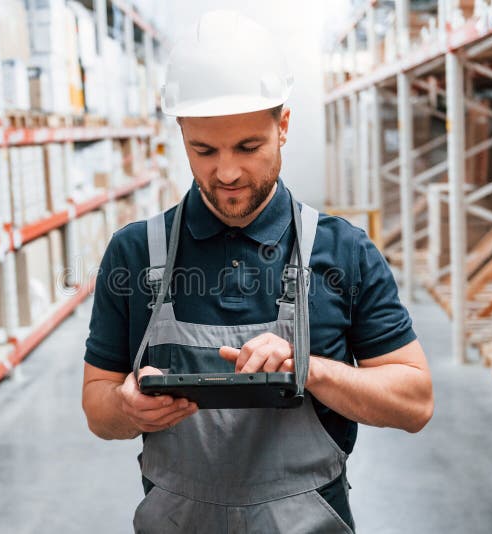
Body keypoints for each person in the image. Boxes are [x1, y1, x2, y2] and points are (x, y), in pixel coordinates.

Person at [82, 10, 433, 533]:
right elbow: (97, 406)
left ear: (283, 126)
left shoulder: (343, 252)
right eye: (204, 150)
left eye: (248, 147)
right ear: (181, 134)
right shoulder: (135, 254)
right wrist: (127, 407)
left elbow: (415, 401)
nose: (226, 172)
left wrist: (309, 369)